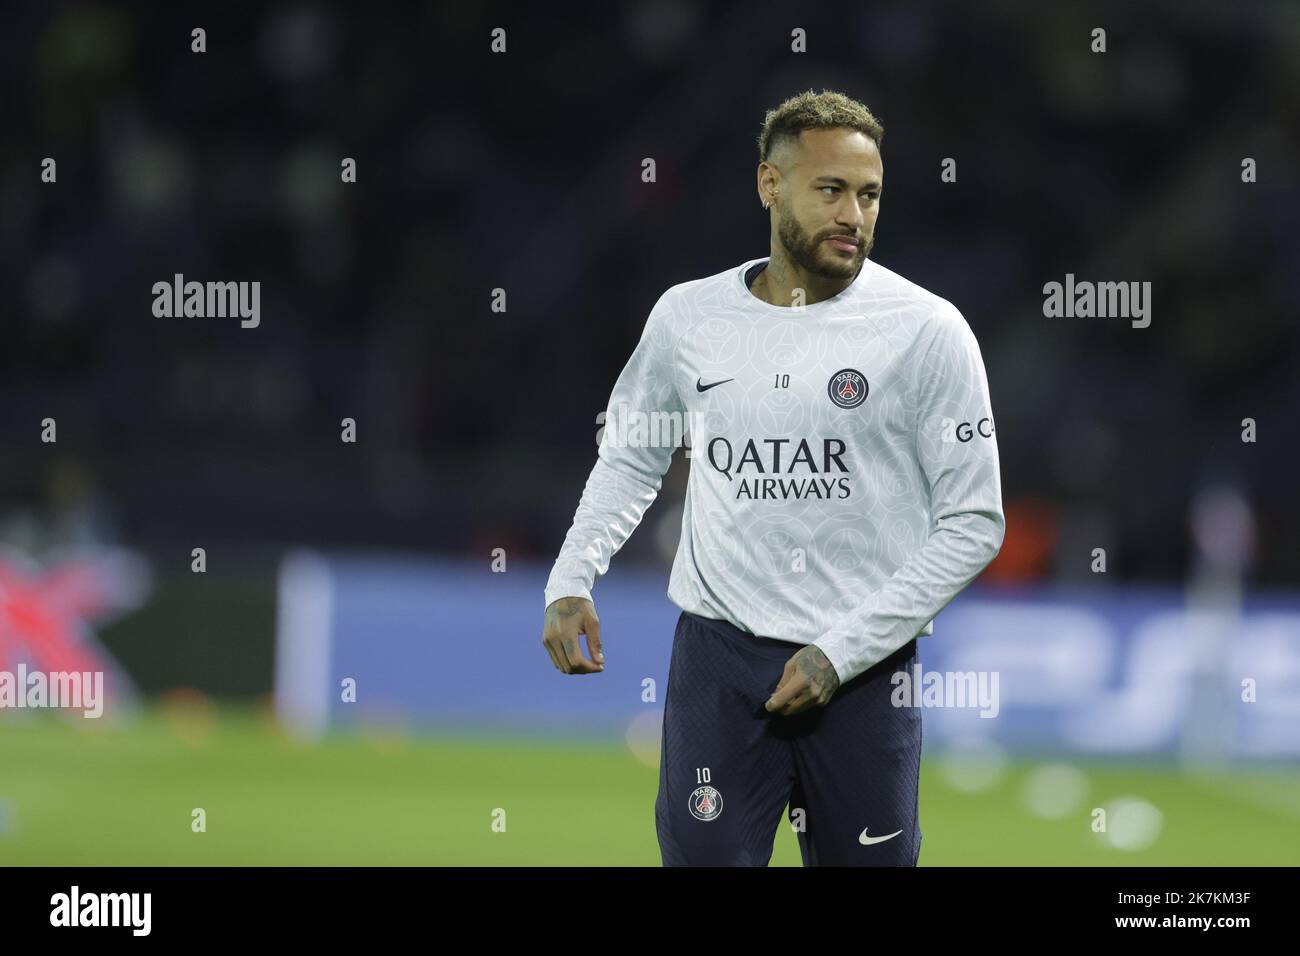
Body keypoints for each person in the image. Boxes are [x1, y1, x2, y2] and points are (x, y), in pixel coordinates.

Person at [541, 89, 1004, 866]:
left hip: (863, 676)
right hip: (720, 664)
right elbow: (630, 456)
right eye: (831, 190)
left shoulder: (928, 331)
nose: (854, 214)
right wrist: (570, 578)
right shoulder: (688, 319)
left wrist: (839, 653)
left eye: (870, 195)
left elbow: (974, 521)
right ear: (769, 185)